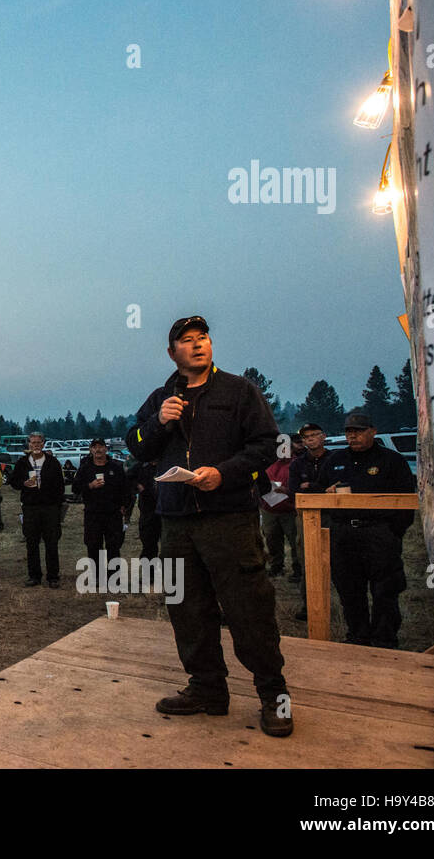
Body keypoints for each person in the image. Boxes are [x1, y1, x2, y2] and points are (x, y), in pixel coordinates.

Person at [127, 316, 291, 737]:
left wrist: (224, 472)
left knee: (248, 608)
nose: (198, 345)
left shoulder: (238, 391)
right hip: (177, 521)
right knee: (187, 609)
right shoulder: (162, 397)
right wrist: (158, 423)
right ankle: (207, 689)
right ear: (172, 353)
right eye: (187, 340)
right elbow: (135, 447)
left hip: (229, 518)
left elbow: (266, 444)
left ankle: (274, 696)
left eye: (203, 338)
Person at [319, 411, 416, 649]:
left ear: (372, 431)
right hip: (344, 533)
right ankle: (358, 636)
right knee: (349, 588)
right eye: (349, 432)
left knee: (385, 588)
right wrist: (325, 495)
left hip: (379, 533)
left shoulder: (391, 460)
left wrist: (393, 532)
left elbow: (407, 500)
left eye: (359, 431)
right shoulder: (334, 460)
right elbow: (314, 492)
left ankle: (384, 638)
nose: (353, 437)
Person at [7, 432, 66, 587]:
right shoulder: (22, 462)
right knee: (31, 543)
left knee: (51, 543)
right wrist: (23, 483)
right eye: (33, 443)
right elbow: (13, 482)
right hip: (30, 507)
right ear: (29, 444)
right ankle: (34, 576)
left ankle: (53, 576)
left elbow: (60, 486)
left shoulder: (53, 462)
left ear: (43, 443)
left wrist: (58, 507)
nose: (36, 445)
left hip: (50, 508)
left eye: (39, 442)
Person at [287, 423, 331, 620]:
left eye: (314, 435)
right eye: (306, 437)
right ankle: (309, 605)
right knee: (309, 560)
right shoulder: (297, 463)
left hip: (334, 515)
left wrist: (311, 486)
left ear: (323, 436)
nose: (310, 439)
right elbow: (295, 489)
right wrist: (322, 488)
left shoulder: (335, 459)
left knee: (337, 559)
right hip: (306, 516)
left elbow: (339, 486)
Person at [72, 439, 129, 576]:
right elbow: (75, 488)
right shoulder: (85, 468)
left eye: (101, 447)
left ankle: (114, 576)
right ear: (91, 450)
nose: (98, 450)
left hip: (113, 513)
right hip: (93, 513)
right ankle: (96, 576)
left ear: (106, 449)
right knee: (93, 545)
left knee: (113, 546)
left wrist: (124, 506)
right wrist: (90, 486)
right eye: (95, 447)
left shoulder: (115, 468)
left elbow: (126, 489)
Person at [259, 446, 299, 579]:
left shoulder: (296, 464)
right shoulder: (268, 464)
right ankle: (276, 566)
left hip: (289, 509)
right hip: (269, 508)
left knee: (294, 541)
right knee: (272, 539)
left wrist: (287, 491)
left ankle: (298, 569)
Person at [125, 459, 161, 561]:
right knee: (148, 544)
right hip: (148, 510)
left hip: (166, 511)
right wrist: (138, 486)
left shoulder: (165, 463)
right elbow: (128, 478)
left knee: (169, 546)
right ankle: (149, 574)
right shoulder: (141, 466)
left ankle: (168, 573)